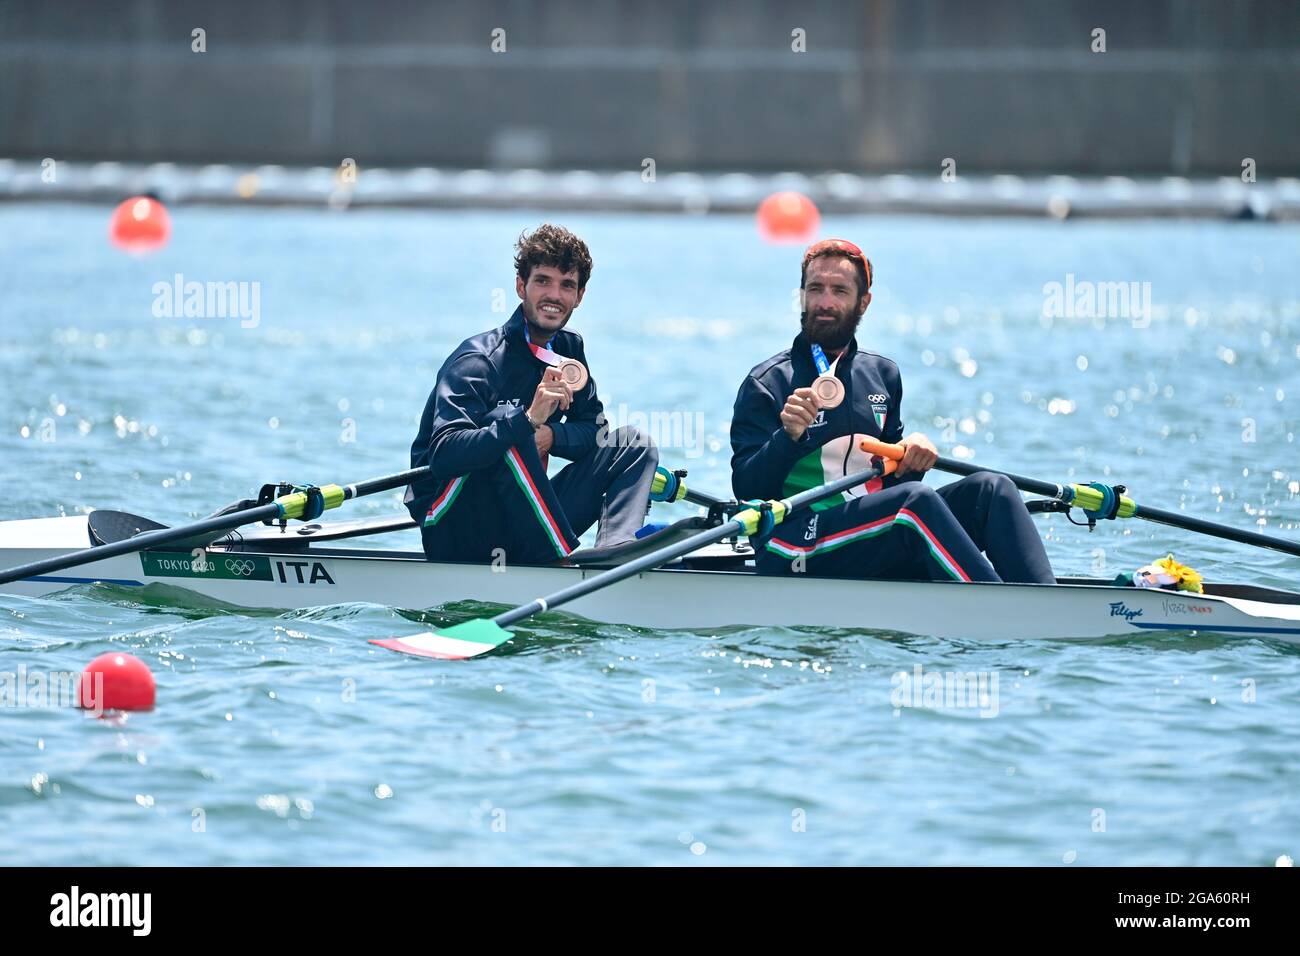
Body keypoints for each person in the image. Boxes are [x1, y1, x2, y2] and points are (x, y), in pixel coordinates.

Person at [730, 238, 1055, 584]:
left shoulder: (883, 376)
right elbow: (746, 489)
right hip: (790, 543)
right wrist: (788, 437)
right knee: (913, 504)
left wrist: (911, 460)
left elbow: (887, 486)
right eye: (815, 288)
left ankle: (1045, 603)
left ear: (863, 303)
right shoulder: (767, 383)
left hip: (863, 536)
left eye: (839, 291)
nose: (824, 302)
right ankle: (1002, 608)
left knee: (993, 489)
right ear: (802, 294)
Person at [406, 224, 657, 563]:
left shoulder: (569, 350)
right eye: (543, 281)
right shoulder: (478, 361)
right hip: (455, 524)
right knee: (506, 425)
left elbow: (594, 432)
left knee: (632, 443)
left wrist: (551, 435)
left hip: (522, 521)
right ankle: (556, 554)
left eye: (567, 285)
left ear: (579, 296)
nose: (554, 295)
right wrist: (525, 421)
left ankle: (614, 554)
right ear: (521, 286)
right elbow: (444, 454)